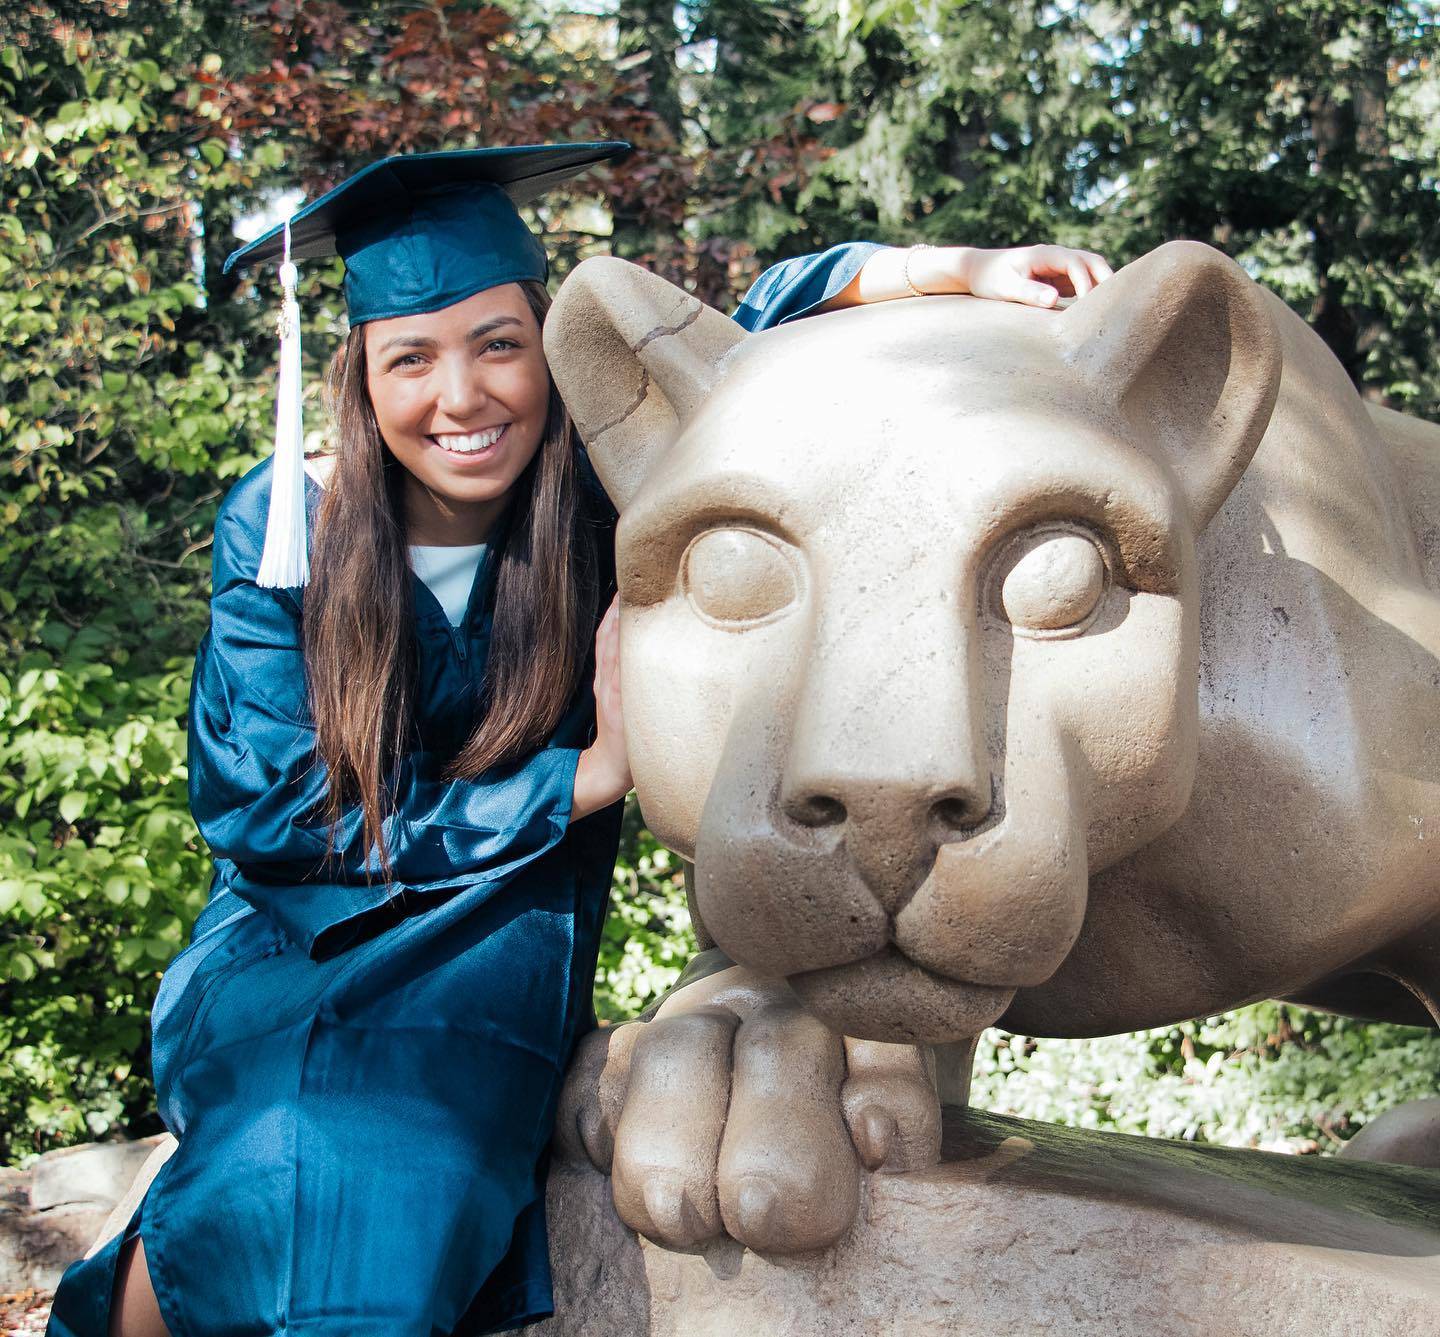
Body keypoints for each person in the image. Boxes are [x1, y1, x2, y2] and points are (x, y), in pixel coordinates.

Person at [47, 141, 1112, 1337]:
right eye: (412, 359)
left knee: (388, 1165)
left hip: (495, 939)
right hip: (292, 938)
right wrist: (582, 780)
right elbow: (272, 813)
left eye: (499, 344)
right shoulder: (288, 522)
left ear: (545, 348)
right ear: (360, 376)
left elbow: (728, 326)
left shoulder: (595, 494)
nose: (462, 397)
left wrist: (949, 265)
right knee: (290, 1125)